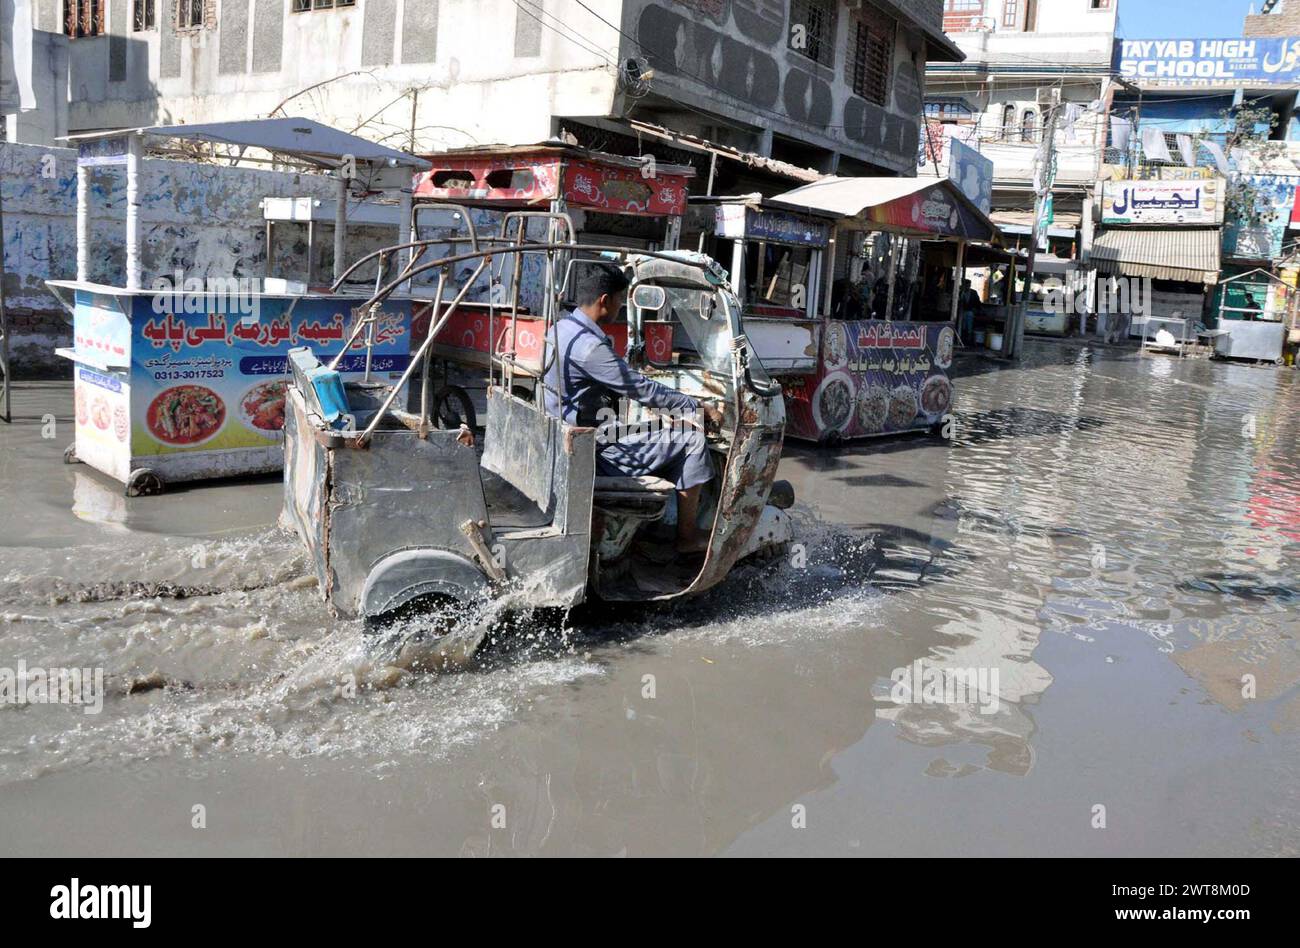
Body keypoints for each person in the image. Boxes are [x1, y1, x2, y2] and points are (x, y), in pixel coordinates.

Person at [544, 263, 723, 554]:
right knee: (692, 440)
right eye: (619, 301)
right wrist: (696, 407)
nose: (620, 309)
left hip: (572, 437)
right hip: (592, 453)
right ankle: (687, 538)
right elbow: (642, 389)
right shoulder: (589, 348)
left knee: (657, 428)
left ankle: (653, 527)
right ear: (605, 301)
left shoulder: (561, 328)